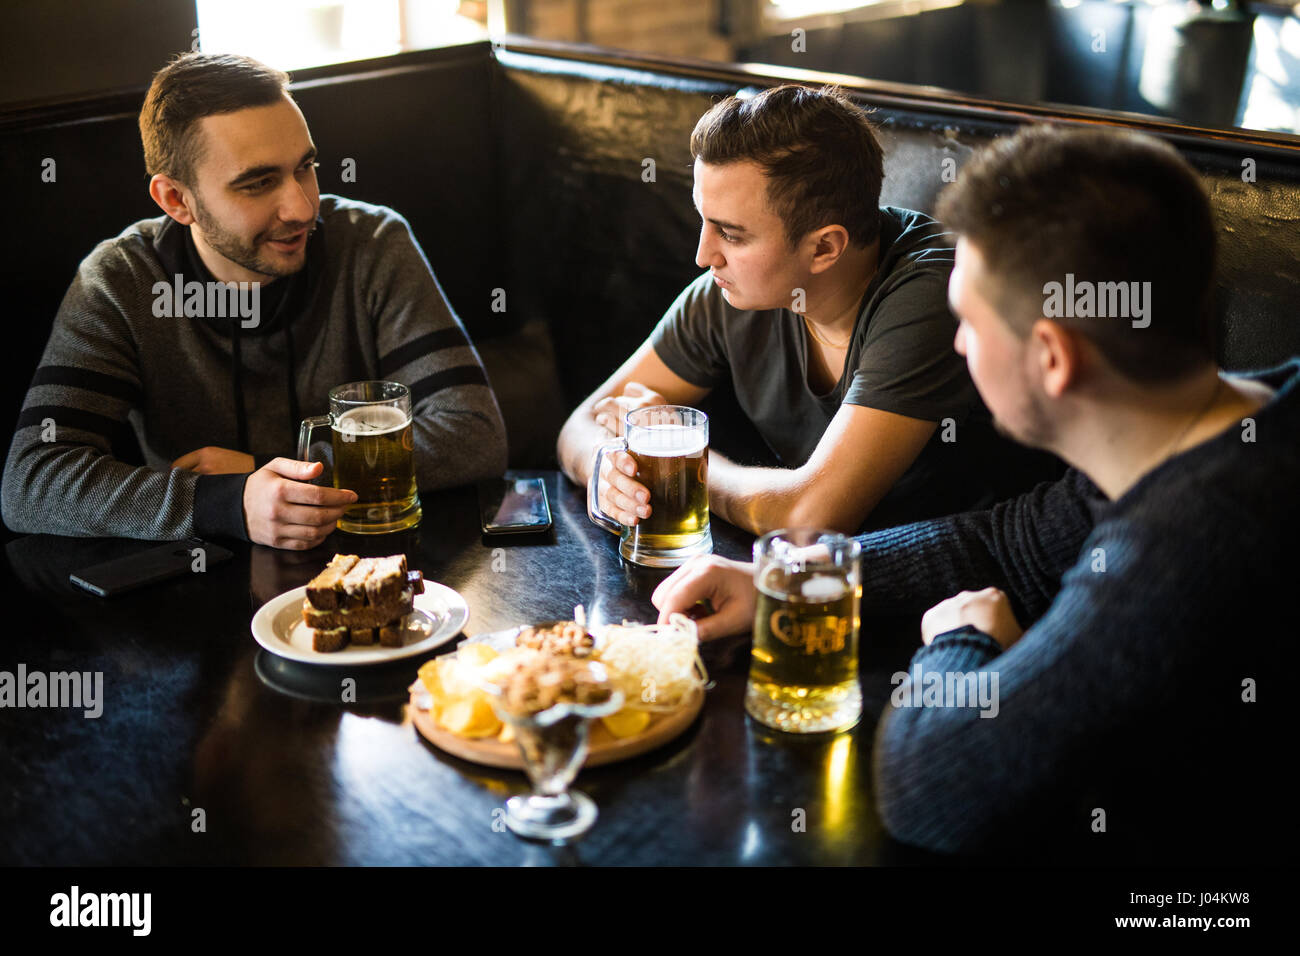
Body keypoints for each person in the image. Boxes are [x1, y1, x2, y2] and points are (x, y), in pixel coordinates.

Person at [652, 124, 1292, 862]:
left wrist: (963, 640)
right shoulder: (1228, 420)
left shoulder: (1191, 542)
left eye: (973, 325)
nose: (957, 345)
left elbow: (928, 786)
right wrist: (788, 582)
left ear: (1051, 358)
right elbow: (1006, 542)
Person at [1, 53, 506, 550]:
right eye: (258, 183)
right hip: (199, 594)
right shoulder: (121, 281)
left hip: (377, 563)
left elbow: (476, 435)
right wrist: (228, 503)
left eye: (305, 167)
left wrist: (266, 468)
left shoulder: (372, 243)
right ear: (176, 200)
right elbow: (32, 480)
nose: (302, 207)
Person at [557, 85, 1037, 537]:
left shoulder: (930, 294)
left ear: (825, 247)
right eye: (704, 220)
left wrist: (680, 463)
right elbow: (577, 428)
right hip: (805, 574)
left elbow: (811, 517)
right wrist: (610, 467)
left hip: (952, 586)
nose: (703, 255)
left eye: (732, 234)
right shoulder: (729, 292)